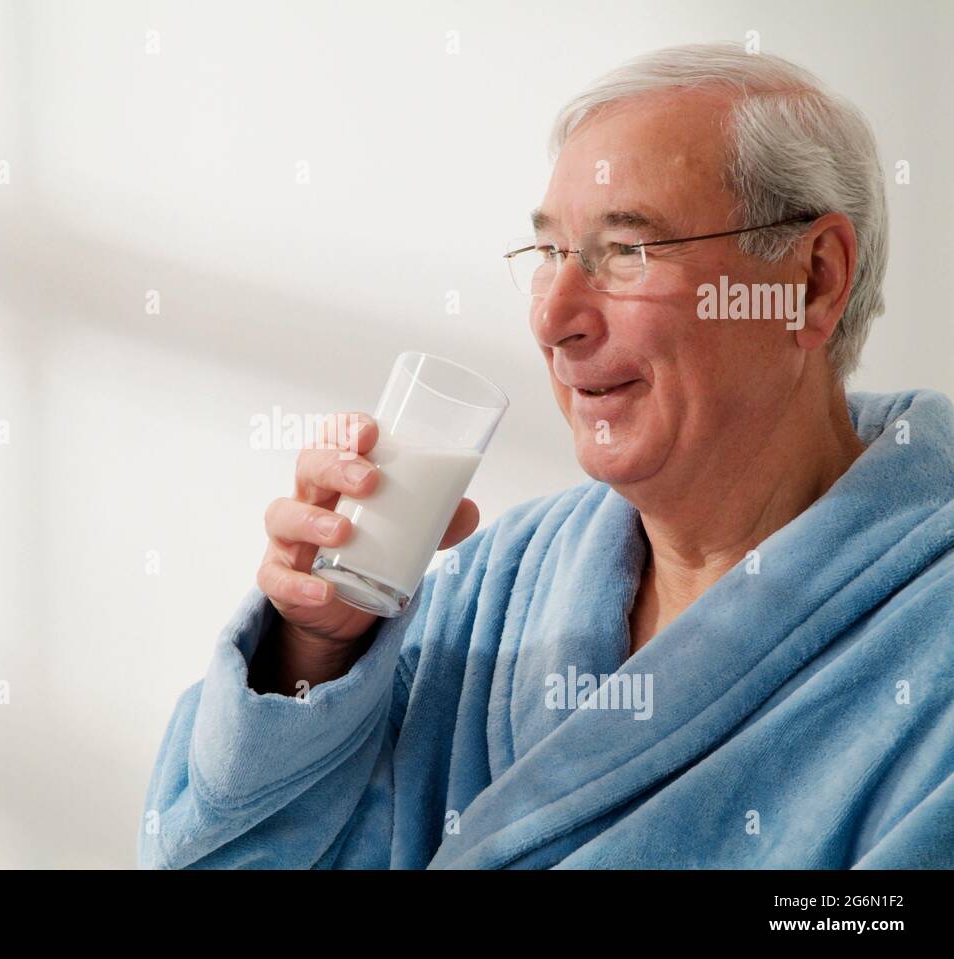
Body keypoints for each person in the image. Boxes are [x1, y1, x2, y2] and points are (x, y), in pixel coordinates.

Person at [137, 42, 954, 868]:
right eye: (550, 255)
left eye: (627, 251)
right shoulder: (490, 585)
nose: (554, 317)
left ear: (811, 281)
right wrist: (313, 654)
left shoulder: (933, 645)